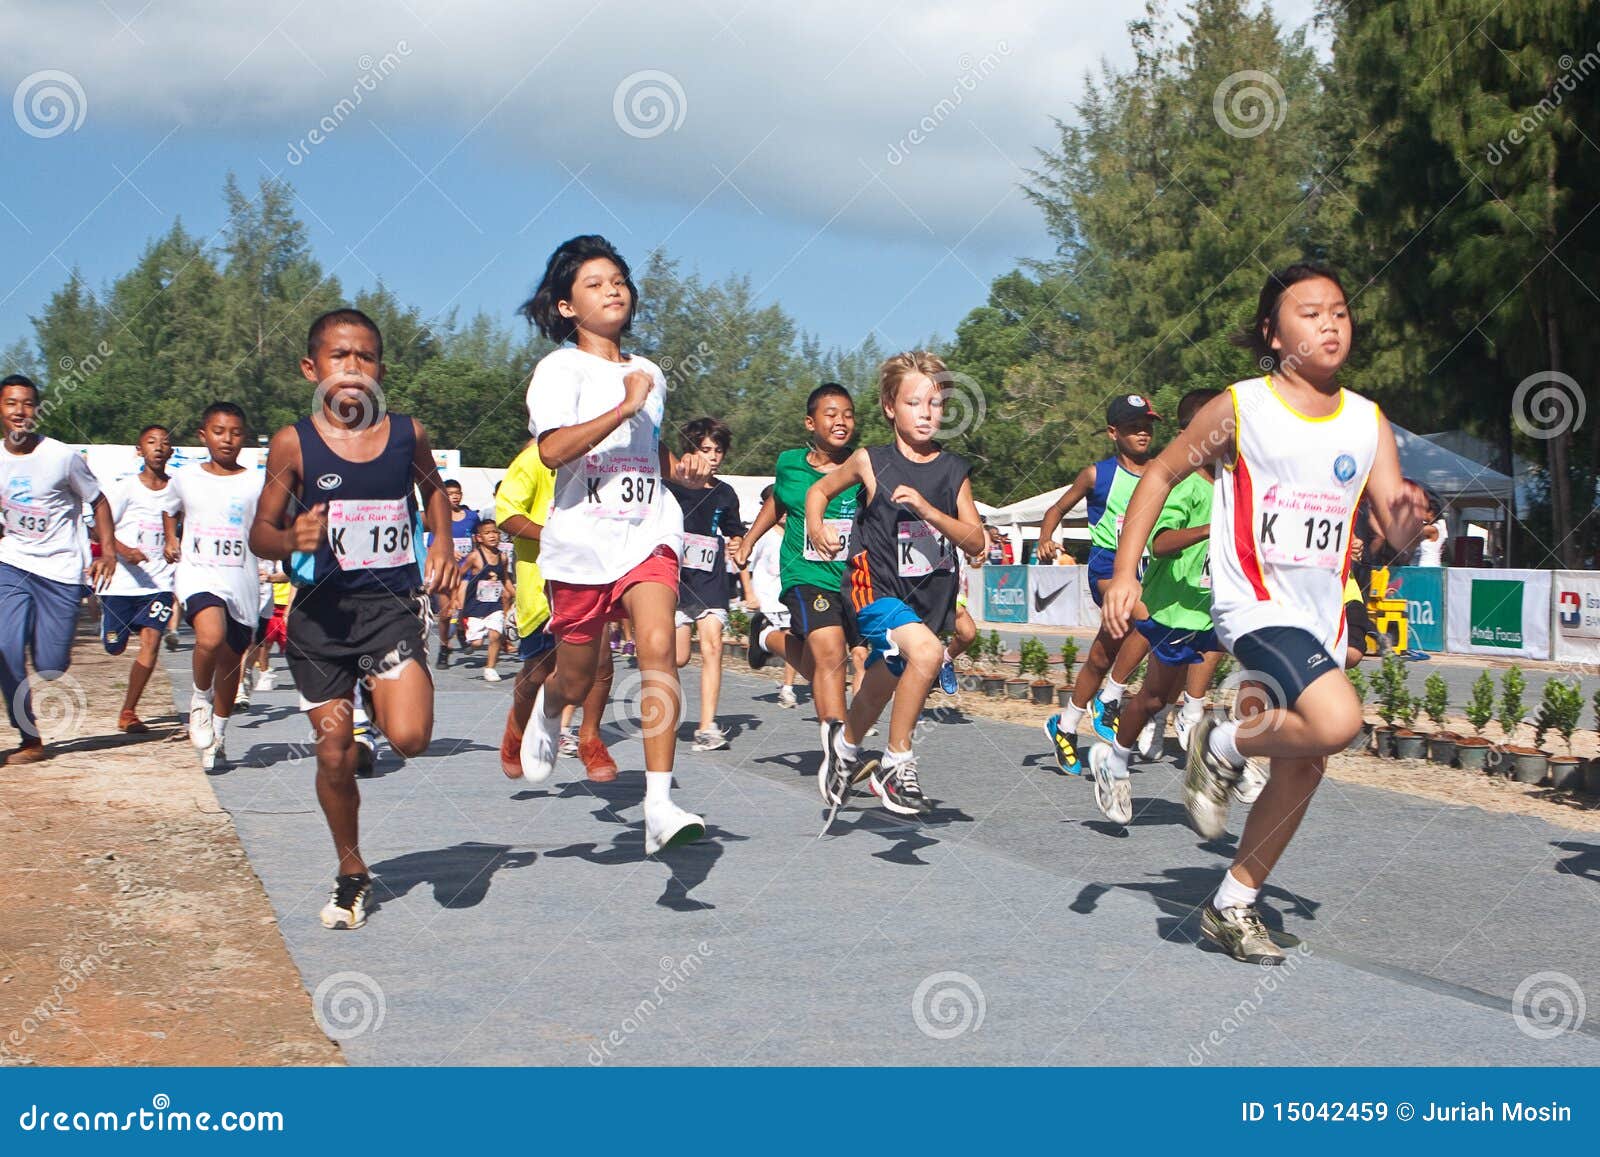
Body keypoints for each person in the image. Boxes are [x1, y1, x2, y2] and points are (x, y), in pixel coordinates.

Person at [1102, 263, 1426, 965]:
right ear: (1272, 335)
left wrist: (1407, 523)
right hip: (1253, 600)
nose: (1330, 323)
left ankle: (1233, 903)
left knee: (1306, 762)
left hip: (1322, 615)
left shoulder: (1369, 422)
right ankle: (1218, 743)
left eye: (1339, 311)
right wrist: (1125, 571)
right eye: (1309, 313)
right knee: (1339, 721)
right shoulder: (1242, 406)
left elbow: (1392, 528)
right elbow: (1159, 472)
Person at [250, 308, 458, 931]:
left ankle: (384, 686)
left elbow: (434, 492)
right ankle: (351, 871)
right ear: (312, 369)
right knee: (335, 752)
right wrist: (291, 538)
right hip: (321, 622)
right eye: (340, 357)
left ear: (381, 370)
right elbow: (261, 532)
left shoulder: (406, 435)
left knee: (413, 739)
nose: (353, 369)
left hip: (389, 610)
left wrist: (443, 543)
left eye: (365, 357)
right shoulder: (294, 443)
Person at [517, 234, 708, 857]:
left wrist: (675, 471)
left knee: (659, 647)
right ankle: (549, 710)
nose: (612, 290)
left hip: (647, 530)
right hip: (581, 544)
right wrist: (622, 408)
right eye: (594, 284)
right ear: (567, 306)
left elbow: (649, 455)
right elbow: (551, 451)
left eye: (618, 279)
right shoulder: (559, 369)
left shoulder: (650, 373)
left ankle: (659, 802)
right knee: (576, 676)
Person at [806, 351, 986, 816]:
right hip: (874, 588)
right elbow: (819, 490)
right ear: (890, 406)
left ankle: (844, 751)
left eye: (935, 404)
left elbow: (975, 540)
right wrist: (815, 523)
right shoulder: (870, 461)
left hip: (928, 596)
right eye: (914, 403)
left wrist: (929, 511)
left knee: (889, 676)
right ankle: (895, 762)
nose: (926, 413)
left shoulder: (953, 471)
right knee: (925, 654)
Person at [1084, 388, 1261, 823]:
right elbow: (1159, 544)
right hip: (1175, 611)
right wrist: (1209, 529)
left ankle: (1242, 756)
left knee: (1262, 665)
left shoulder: (1236, 483)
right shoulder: (1183, 487)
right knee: (1153, 699)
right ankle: (1115, 762)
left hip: (1218, 607)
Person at [733, 383, 862, 775]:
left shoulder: (862, 464)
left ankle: (767, 637)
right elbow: (778, 502)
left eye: (848, 414)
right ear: (810, 422)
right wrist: (749, 541)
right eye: (830, 413)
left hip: (850, 579)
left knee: (831, 664)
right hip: (804, 575)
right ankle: (839, 752)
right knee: (831, 655)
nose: (841, 421)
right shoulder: (790, 464)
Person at [1038, 394, 1158, 773]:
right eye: (1132, 427)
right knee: (1144, 616)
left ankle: (1067, 725)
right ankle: (1110, 700)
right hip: (1107, 566)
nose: (1142, 432)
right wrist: (1045, 538)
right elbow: (1055, 509)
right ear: (1112, 432)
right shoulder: (1097, 474)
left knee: (1102, 656)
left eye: (1148, 425)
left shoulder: (1162, 471)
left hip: (1146, 566)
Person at [0, 374, 117, 763]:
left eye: (28, 403)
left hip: (61, 571)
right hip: (12, 563)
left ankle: (49, 652)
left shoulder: (61, 457)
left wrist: (108, 552)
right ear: (1, 409)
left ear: (37, 409)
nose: (20, 411)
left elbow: (98, 501)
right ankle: (30, 738)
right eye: (11, 403)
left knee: (49, 666)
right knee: (6, 649)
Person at [495, 439, 619, 782]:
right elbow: (507, 515)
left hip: (590, 576)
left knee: (601, 662)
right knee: (539, 671)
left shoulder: (603, 459)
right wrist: (554, 535)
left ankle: (590, 738)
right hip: (541, 583)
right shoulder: (535, 457)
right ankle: (517, 729)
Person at [164, 403, 264, 772]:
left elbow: (269, 524)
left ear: (244, 438)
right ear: (203, 434)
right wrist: (171, 538)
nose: (227, 439)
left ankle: (219, 735)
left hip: (240, 578)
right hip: (198, 573)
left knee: (230, 663)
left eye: (235, 432)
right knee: (209, 637)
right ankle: (199, 700)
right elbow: (170, 508)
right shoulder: (186, 478)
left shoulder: (255, 482)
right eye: (219, 431)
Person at [665, 417, 746, 751]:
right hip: (676, 577)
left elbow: (734, 531)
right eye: (705, 449)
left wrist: (739, 542)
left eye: (718, 451)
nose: (712, 457)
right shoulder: (671, 486)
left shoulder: (727, 494)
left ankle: (707, 726)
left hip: (711, 579)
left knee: (713, 646)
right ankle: (664, 713)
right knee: (679, 657)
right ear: (690, 451)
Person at [100, 424, 180, 733]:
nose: (159, 447)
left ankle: (128, 712)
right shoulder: (125, 489)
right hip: (122, 583)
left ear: (171, 452)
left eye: (165, 442)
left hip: (159, 583)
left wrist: (176, 546)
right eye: (151, 442)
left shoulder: (178, 490)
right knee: (114, 647)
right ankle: (108, 630)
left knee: (152, 641)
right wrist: (123, 550)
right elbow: (99, 527)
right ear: (139, 450)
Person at [744, 485, 801, 707]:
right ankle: (762, 643)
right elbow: (743, 563)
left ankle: (788, 688)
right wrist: (749, 592)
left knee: (794, 640)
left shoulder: (796, 534)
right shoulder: (764, 535)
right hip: (766, 598)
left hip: (789, 598)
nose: (785, 512)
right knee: (778, 640)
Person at [458, 519, 512, 680]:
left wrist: (514, 593)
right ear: (479, 538)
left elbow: (506, 578)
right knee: (477, 644)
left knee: (496, 634)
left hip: (494, 604)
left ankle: (490, 668)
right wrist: (455, 595)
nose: (493, 536)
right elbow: (460, 575)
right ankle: (464, 631)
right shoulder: (474, 557)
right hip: (475, 605)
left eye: (495, 532)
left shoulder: (502, 557)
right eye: (487, 533)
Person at [434, 478, 480, 668]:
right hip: (445, 570)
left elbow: (479, 539)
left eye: (457, 493)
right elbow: (432, 543)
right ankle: (445, 646)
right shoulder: (438, 517)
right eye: (450, 493)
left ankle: (461, 627)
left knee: (460, 605)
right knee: (445, 614)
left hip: (466, 573)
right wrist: (448, 548)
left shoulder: (471, 517)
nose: (454, 497)